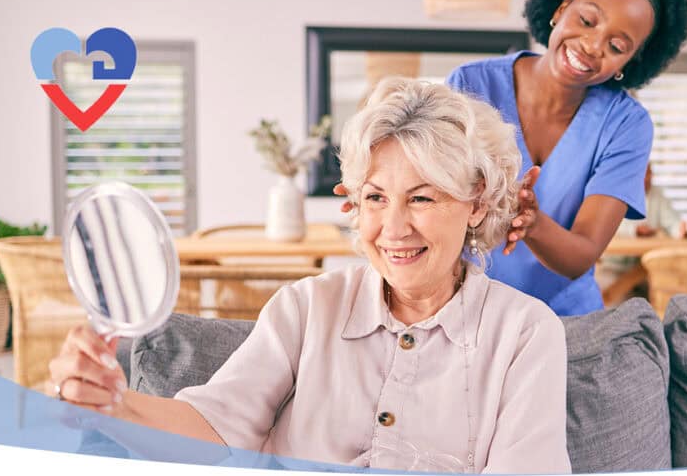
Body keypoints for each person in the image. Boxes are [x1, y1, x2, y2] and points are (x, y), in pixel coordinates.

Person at [47, 78, 572, 474]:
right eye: (375, 197)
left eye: (421, 198)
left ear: (477, 203)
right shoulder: (306, 307)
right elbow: (215, 430)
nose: (393, 229)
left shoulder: (525, 334)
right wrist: (113, 405)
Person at [444, 0, 687, 316]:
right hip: (467, 310)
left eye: (616, 46)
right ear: (561, 8)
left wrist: (533, 224)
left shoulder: (626, 125)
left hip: (566, 320)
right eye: (587, 20)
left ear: (630, 61)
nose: (592, 46)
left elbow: (582, 254)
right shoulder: (470, 86)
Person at [596, 165, 686, 291]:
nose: (647, 178)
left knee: (665, 284)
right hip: (615, 264)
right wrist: (634, 231)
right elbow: (605, 225)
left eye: (649, 174)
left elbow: (672, 222)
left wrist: (680, 230)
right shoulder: (616, 193)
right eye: (643, 175)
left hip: (646, 264)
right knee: (610, 290)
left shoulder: (657, 194)